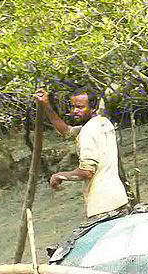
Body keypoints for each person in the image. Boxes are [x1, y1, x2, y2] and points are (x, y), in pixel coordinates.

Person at [34, 89, 129, 219]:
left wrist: (59, 176)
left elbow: (87, 172)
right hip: (119, 198)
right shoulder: (104, 123)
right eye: (73, 107)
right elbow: (67, 131)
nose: (74, 111)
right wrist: (46, 106)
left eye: (80, 107)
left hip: (103, 205)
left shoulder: (88, 132)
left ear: (93, 107)